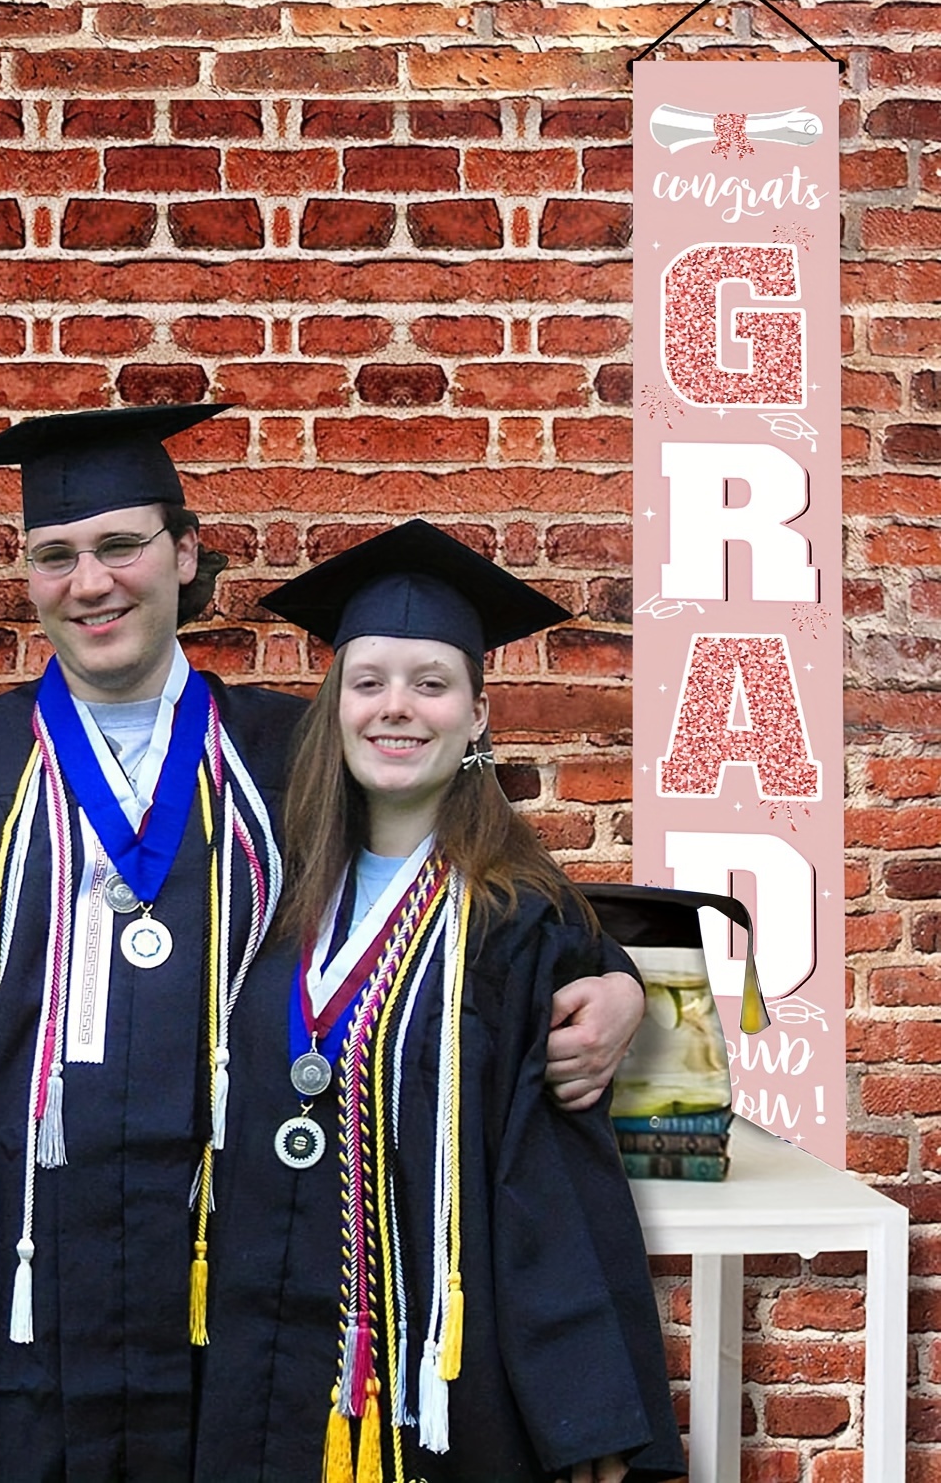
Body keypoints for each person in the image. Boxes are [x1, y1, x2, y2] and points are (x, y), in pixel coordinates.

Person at [0, 407, 647, 1482]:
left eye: (121, 545)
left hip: (209, 1272)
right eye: (56, 556)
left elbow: (460, 872)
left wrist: (609, 976)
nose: (92, 582)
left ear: (184, 554)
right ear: (27, 577)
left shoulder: (281, 750)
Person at [195, 520, 685, 1483]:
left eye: (432, 683)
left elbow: (552, 1180)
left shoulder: (518, 917)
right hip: (255, 1344)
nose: (397, 708)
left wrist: (588, 1412)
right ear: (333, 707)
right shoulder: (262, 890)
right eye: (368, 681)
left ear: (477, 715)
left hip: (434, 1369)